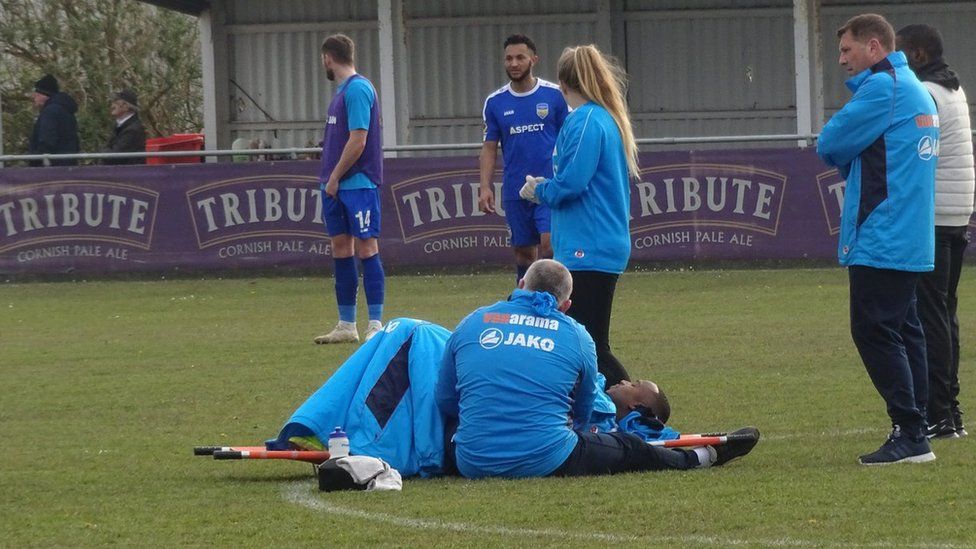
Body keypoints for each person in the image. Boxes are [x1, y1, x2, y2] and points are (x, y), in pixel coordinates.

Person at [436, 258, 758, 479]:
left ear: (521, 283)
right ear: (566, 306)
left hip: (472, 460)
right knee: (630, 449)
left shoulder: (472, 322)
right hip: (548, 457)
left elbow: (446, 402)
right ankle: (697, 459)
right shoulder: (576, 335)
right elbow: (583, 413)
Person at [816, 14, 940, 465]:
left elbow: (829, 142)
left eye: (847, 50)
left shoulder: (882, 89)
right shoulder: (917, 90)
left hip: (882, 233)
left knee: (874, 330)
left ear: (874, 47)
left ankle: (910, 434)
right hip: (909, 234)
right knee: (906, 331)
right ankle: (917, 429)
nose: (842, 60)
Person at [519, 45, 637, 388]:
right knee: (586, 341)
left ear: (561, 83)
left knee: (592, 345)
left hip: (591, 244)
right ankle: (613, 414)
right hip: (593, 241)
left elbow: (572, 182)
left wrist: (540, 190)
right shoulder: (602, 117)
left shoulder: (585, 120)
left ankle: (642, 414)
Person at [896, 24, 974, 440]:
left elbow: (918, 154)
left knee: (930, 319)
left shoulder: (925, 93)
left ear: (919, 55)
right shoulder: (954, 89)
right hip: (957, 213)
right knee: (944, 315)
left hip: (935, 216)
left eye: (901, 53)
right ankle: (950, 411)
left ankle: (939, 414)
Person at [313, 34, 386, 345]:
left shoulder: (357, 89)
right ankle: (346, 324)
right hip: (337, 186)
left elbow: (359, 139)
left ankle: (375, 323)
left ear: (328, 58)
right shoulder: (342, 93)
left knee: (367, 247)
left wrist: (334, 176)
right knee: (341, 248)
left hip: (357, 184)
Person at [479, 34, 569, 282]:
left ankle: (554, 302)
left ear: (534, 59)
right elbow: (489, 147)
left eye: (520, 57)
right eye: (509, 58)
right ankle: (527, 303)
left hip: (548, 186)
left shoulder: (554, 96)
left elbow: (570, 139)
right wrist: (485, 187)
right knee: (523, 255)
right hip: (515, 189)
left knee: (549, 246)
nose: (514, 63)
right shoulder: (496, 102)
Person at [28, 74, 80, 167]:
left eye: (37, 93)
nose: (34, 97)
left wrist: (36, 161)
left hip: (53, 166)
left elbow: (47, 139)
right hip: (68, 163)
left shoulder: (50, 112)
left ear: (44, 95)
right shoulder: (66, 110)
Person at [101, 89, 147, 165]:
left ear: (126, 106)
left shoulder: (133, 130)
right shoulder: (120, 126)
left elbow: (115, 156)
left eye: (115, 103)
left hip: (128, 173)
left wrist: (102, 151)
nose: (112, 106)